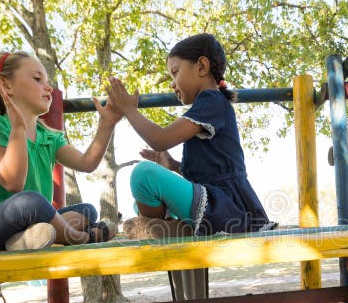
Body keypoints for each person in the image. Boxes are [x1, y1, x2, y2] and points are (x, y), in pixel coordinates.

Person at [106, 33, 275, 236]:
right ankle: (179, 229)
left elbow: (159, 139)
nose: (172, 83)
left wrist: (129, 109)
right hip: (213, 205)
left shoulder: (212, 101)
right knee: (140, 200)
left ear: (202, 66)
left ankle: (170, 230)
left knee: (142, 175)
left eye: (175, 72)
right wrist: (173, 165)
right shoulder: (207, 107)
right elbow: (206, 171)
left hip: (225, 207)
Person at [0, 51, 119, 252]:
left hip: (25, 222)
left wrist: (107, 125)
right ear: (6, 85)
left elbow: (86, 163)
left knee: (87, 210)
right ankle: (81, 238)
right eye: (37, 78)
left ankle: (24, 239)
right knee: (31, 201)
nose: (48, 87)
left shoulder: (48, 136)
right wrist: (18, 130)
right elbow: (13, 182)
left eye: (47, 81)